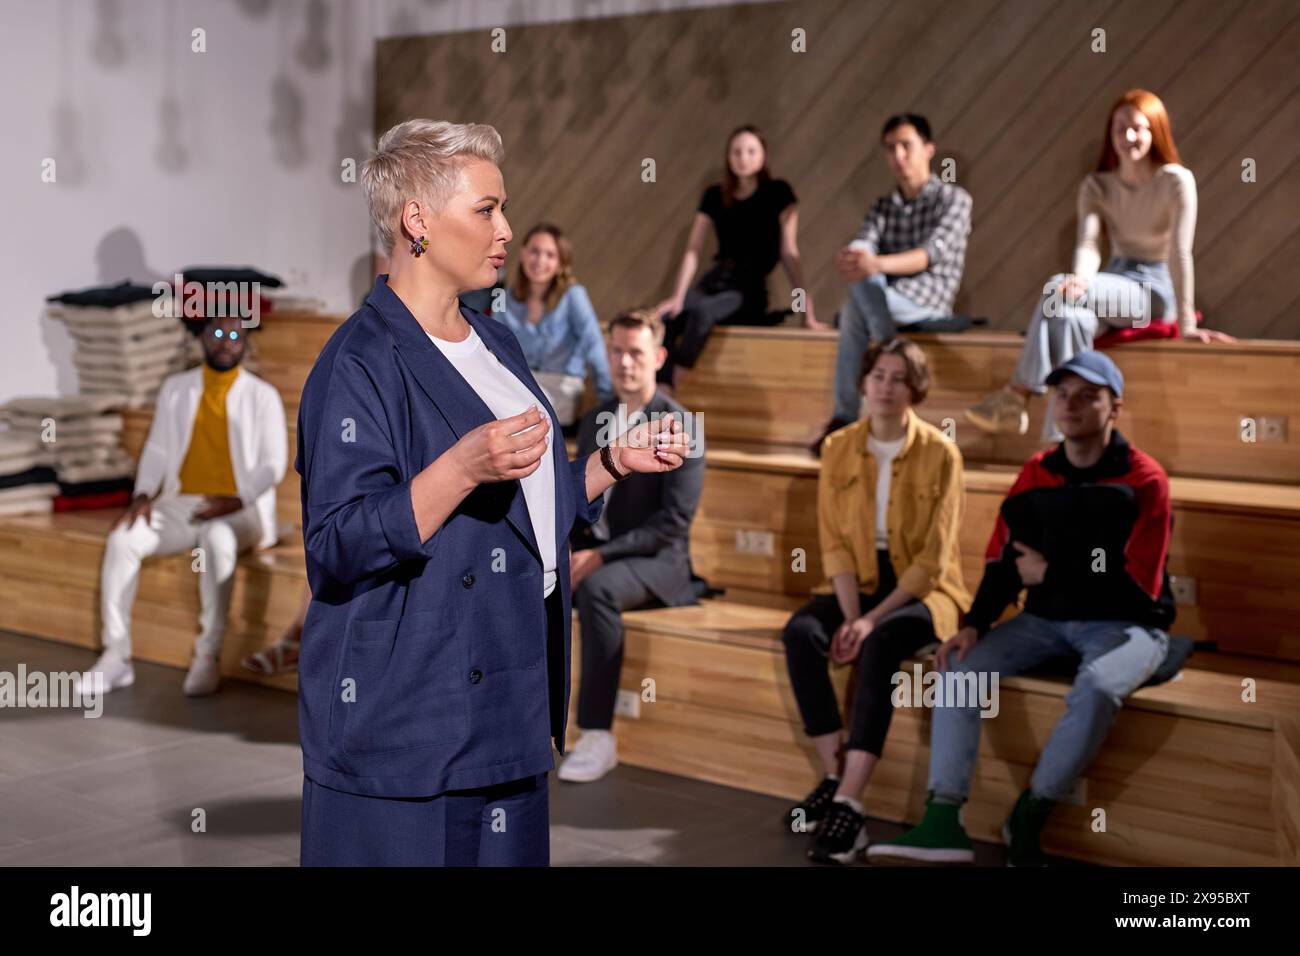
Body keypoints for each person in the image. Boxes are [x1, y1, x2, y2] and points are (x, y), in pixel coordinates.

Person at [295, 119, 689, 867]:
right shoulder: (357, 362)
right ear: (417, 220)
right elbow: (337, 545)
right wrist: (459, 469)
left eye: (504, 209)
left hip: (510, 699)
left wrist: (610, 464)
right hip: (409, 716)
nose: (506, 230)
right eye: (486, 210)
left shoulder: (497, 341)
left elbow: (526, 516)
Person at [869, 351, 1175, 867]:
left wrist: (1055, 571)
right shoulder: (1038, 471)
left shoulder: (1144, 480)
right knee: (958, 670)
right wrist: (974, 626)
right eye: (1062, 394)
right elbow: (1004, 558)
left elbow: (1135, 586)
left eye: (1088, 396)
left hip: (1128, 625)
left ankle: (1030, 813)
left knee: (1099, 688)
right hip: (1045, 620)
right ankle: (944, 820)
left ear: (1114, 408)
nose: (1071, 405)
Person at [783, 338, 971, 864]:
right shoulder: (837, 445)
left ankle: (850, 802)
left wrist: (867, 622)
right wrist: (849, 616)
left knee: (883, 642)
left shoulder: (942, 453)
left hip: (920, 589)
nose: (886, 387)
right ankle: (834, 771)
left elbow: (934, 559)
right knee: (801, 633)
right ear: (863, 383)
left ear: (915, 390)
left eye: (899, 378)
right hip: (857, 581)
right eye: (878, 376)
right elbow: (834, 543)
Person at [966, 89, 1234, 438]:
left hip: (1153, 291)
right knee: (1066, 316)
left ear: (1156, 131)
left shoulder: (1176, 181)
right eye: (1120, 128)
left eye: (1138, 128)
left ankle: (1016, 394)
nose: (1129, 137)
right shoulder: (1097, 185)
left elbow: (1180, 254)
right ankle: (1062, 442)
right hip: (1112, 281)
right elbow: (1089, 243)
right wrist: (1081, 278)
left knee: (1054, 289)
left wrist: (1186, 324)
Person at [79, 312, 287, 697]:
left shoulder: (263, 395)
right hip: (183, 503)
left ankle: (208, 653)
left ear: (245, 345)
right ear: (202, 339)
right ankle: (116, 656)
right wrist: (142, 495)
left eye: (235, 336)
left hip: (241, 510)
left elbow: (273, 464)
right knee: (123, 539)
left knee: (217, 540)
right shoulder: (177, 388)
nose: (226, 342)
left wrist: (235, 501)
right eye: (218, 333)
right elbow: (156, 449)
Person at [560, 307, 706, 783]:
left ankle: (597, 735)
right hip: (600, 551)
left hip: (659, 561)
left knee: (598, 588)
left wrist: (599, 555)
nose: (625, 362)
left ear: (659, 356)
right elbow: (579, 494)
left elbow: (673, 522)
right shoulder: (596, 418)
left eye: (636, 353)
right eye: (617, 351)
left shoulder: (683, 424)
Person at [813, 114, 972, 455]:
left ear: (928, 150)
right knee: (859, 287)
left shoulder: (954, 200)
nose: (898, 155)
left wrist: (875, 265)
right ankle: (891, 344)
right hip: (884, 299)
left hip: (929, 302)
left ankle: (844, 415)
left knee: (857, 299)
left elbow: (929, 256)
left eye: (906, 146)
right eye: (890, 149)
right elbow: (865, 245)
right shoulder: (883, 206)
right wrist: (856, 257)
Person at [655, 124, 824, 393]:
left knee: (701, 313)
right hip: (716, 279)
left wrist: (807, 312)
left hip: (748, 288)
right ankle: (662, 387)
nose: (743, 158)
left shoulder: (778, 193)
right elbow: (693, 250)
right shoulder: (714, 195)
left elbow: (789, 253)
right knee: (667, 316)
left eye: (750, 151)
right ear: (728, 157)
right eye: (736, 152)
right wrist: (678, 296)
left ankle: (678, 378)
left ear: (763, 156)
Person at [492, 222, 614, 428]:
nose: (540, 260)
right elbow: (493, 348)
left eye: (550, 255)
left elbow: (594, 345)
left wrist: (609, 401)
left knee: (525, 407)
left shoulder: (574, 295)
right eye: (535, 252)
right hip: (519, 386)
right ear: (523, 254)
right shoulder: (501, 296)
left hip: (561, 387)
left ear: (560, 263)